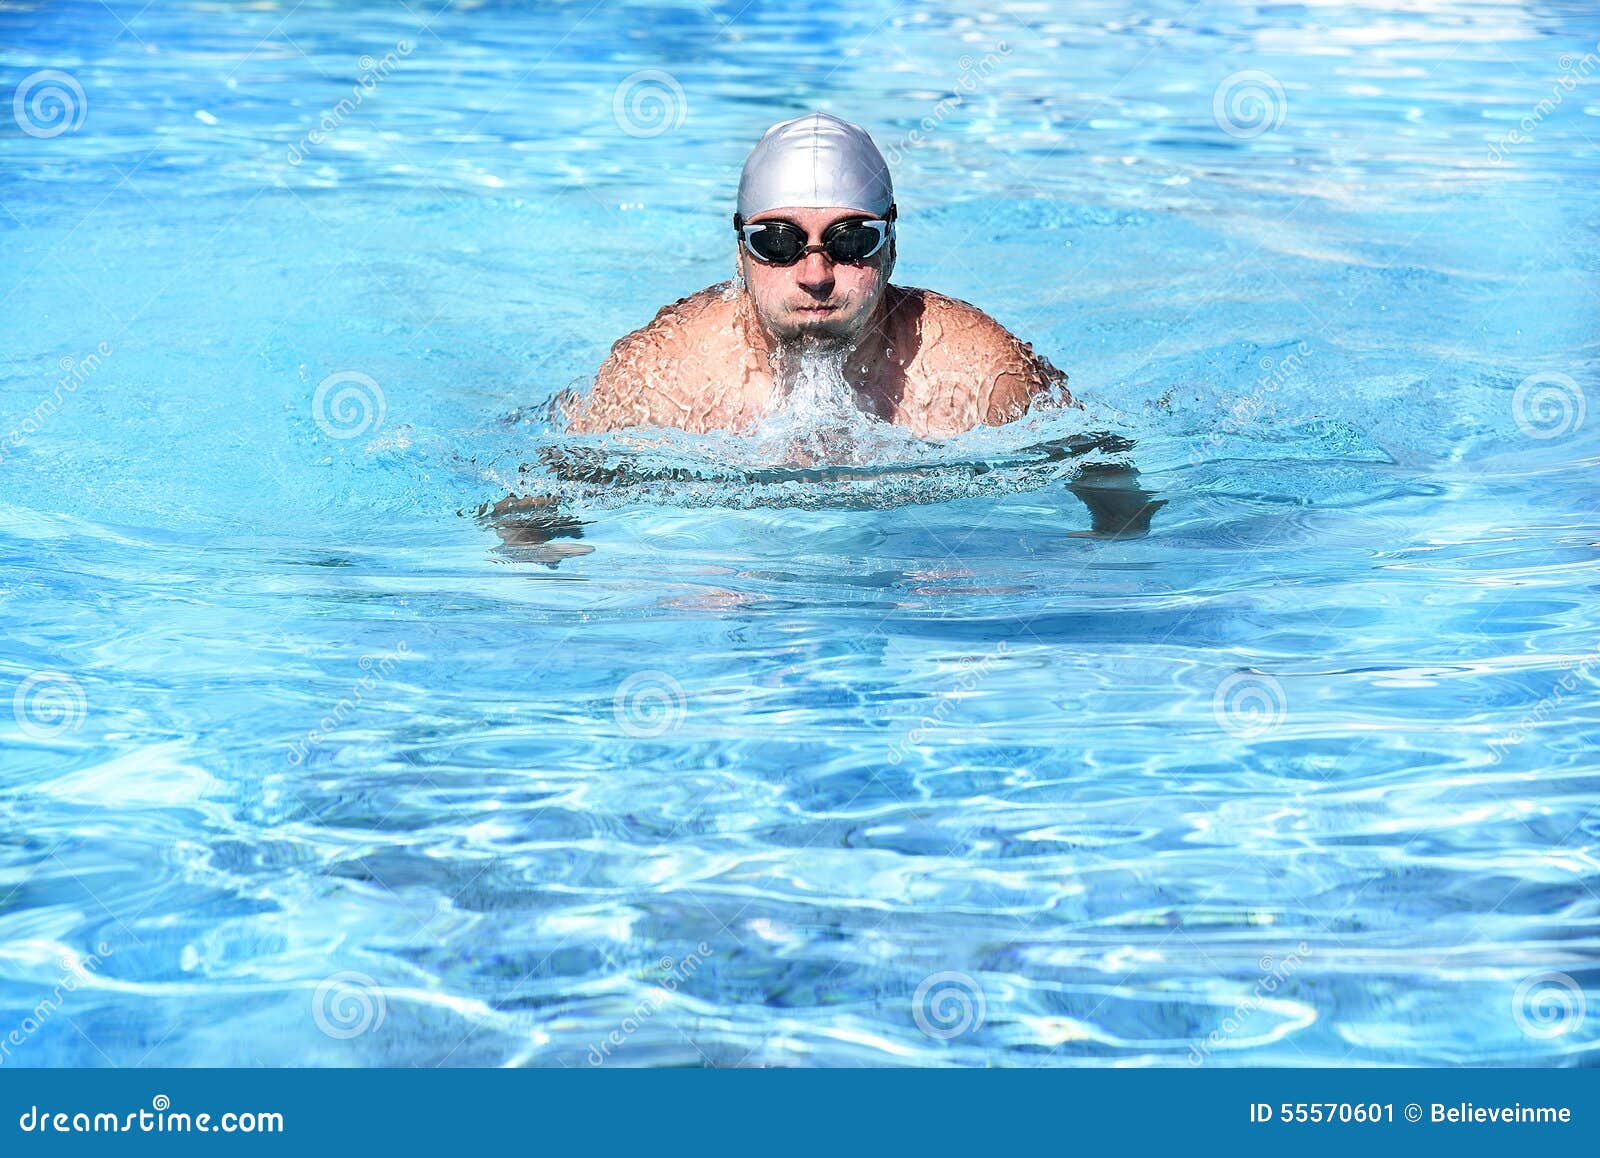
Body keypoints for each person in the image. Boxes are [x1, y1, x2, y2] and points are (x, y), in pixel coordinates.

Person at [488, 112, 1160, 557]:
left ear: (891, 246)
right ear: (740, 251)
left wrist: (1110, 563)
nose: (815, 273)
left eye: (850, 240)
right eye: (778, 242)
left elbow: (1108, 473)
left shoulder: (977, 370)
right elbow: (529, 502)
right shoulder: (666, 373)